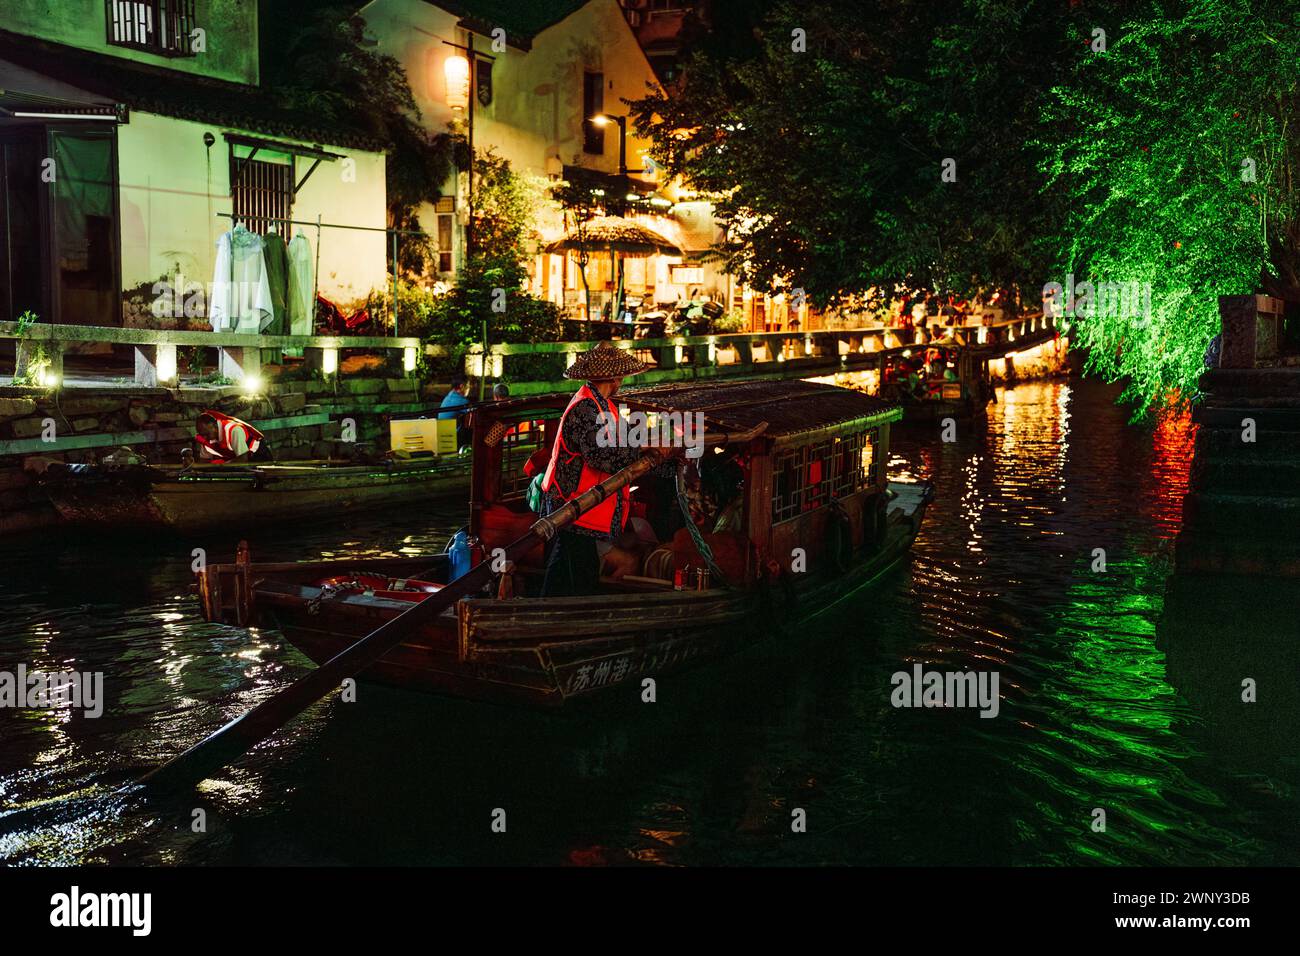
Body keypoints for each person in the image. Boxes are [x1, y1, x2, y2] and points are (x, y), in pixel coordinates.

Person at [538, 341, 669, 597]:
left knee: (569, 565)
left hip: (586, 505)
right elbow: (600, 455)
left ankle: (549, 610)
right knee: (578, 567)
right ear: (616, 377)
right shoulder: (585, 408)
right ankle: (559, 615)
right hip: (573, 501)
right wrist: (642, 446)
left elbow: (622, 438)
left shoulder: (603, 406)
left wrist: (651, 441)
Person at [195, 410, 266, 463]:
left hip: (258, 456)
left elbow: (243, 459)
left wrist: (221, 467)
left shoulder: (233, 430)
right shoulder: (205, 437)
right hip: (235, 460)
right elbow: (204, 461)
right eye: (202, 435)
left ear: (214, 425)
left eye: (207, 434)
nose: (204, 438)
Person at [438, 374, 473, 448]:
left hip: (441, 436)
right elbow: (473, 415)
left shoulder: (448, 397)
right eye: (468, 386)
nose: (469, 388)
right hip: (452, 438)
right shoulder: (462, 401)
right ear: (461, 386)